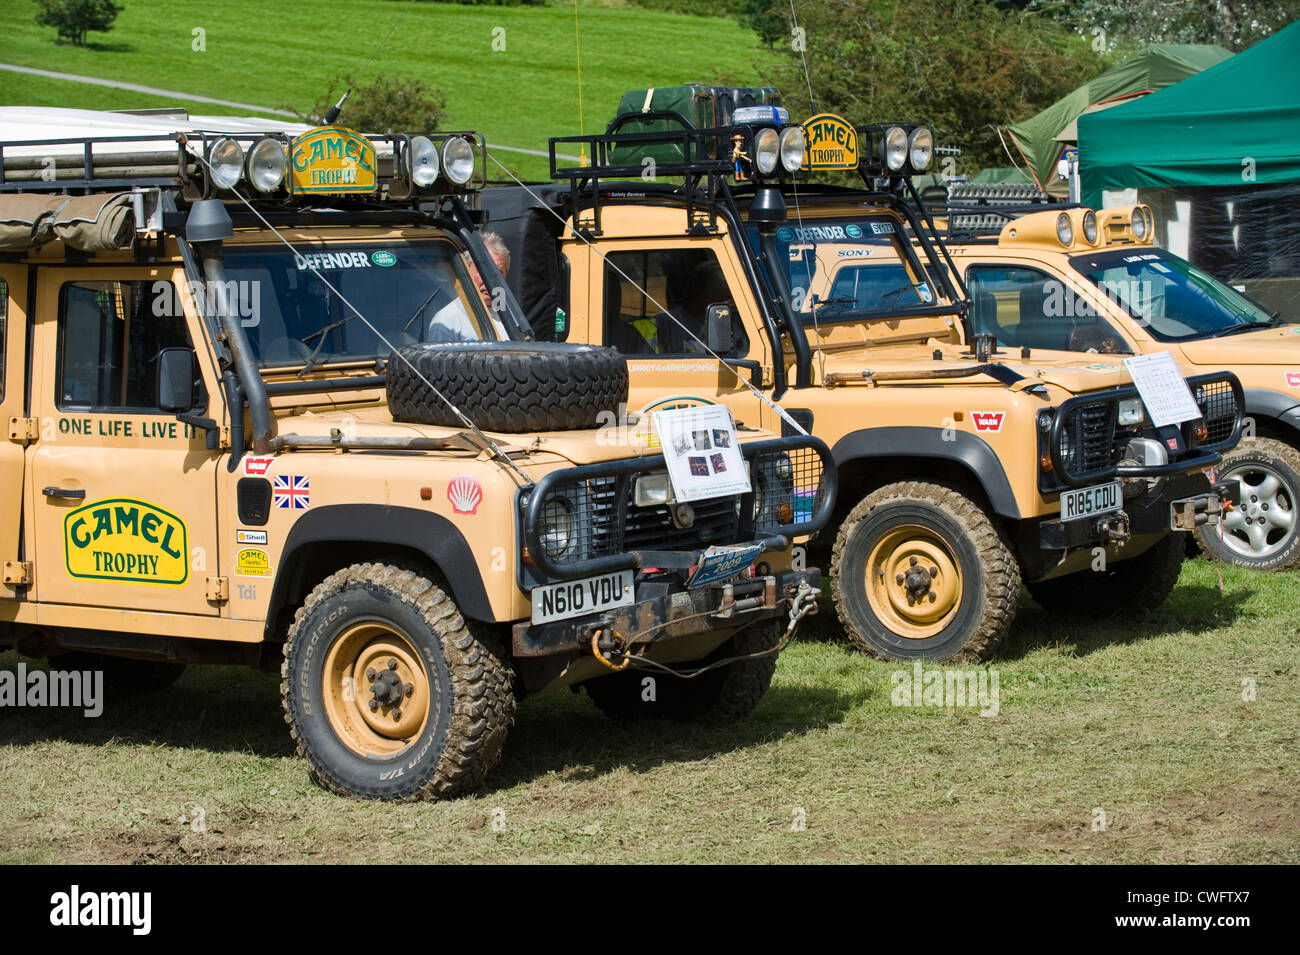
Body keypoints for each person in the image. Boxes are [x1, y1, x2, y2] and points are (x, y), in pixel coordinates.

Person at [426, 231, 511, 342]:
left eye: (498, 273)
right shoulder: (447, 321)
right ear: (467, 271)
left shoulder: (510, 315)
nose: (490, 281)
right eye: (483, 271)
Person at [656, 260, 733, 354]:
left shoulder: (737, 323)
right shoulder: (665, 324)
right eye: (728, 297)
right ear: (707, 295)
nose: (731, 304)